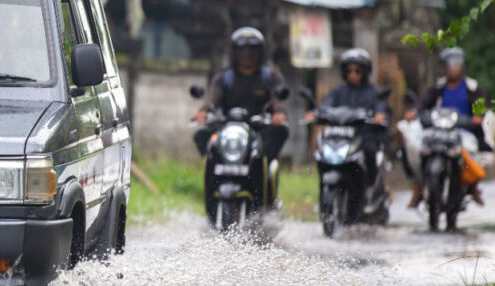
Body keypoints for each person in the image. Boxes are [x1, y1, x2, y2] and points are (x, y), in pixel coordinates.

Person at [404, 46, 489, 206]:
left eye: (456, 63)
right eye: (449, 64)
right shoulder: (438, 87)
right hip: (438, 131)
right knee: (410, 148)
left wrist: (478, 116)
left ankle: (472, 187)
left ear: (462, 65)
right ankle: (417, 188)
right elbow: (422, 103)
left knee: (478, 159)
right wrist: (414, 111)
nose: (453, 67)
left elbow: (481, 108)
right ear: (444, 67)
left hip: (463, 132)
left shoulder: (472, 88)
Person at [192, 26, 289, 163]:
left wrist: (279, 113)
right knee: (201, 136)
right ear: (234, 51)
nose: (247, 53)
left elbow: (278, 101)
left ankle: (262, 167)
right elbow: (212, 99)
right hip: (228, 129)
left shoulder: (270, 76)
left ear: (260, 51)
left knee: (280, 132)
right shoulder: (224, 78)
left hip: (259, 130)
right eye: (242, 48)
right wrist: (203, 111)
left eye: (252, 48)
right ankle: (215, 170)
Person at [306, 48, 389, 192]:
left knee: (369, 149)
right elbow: (326, 106)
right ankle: (324, 187)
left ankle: (370, 187)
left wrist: (379, 115)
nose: (353, 75)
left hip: (364, 134)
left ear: (365, 71)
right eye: (349, 71)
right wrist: (316, 114)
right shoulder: (338, 91)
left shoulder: (374, 92)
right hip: (341, 136)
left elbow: (381, 107)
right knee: (322, 152)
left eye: (357, 71)